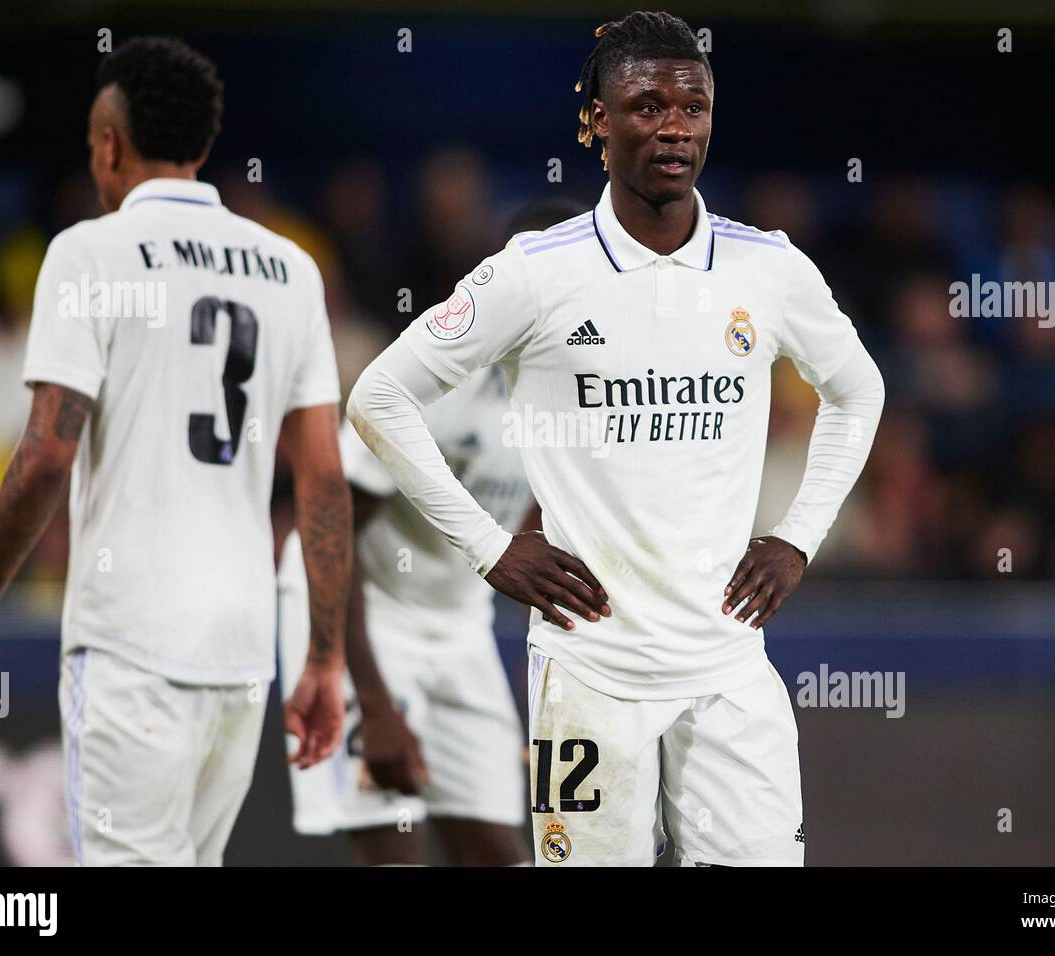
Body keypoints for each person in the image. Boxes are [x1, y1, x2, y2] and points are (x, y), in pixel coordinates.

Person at [346, 10, 885, 866]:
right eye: (646, 106)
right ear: (595, 120)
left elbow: (858, 391)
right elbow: (379, 397)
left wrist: (796, 537)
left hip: (728, 670)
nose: (674, 128)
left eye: (693, 106)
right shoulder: (537, 271)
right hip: (588, 677)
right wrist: (490, 548)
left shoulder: (768, 268)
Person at [0, 36, 352, 866]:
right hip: (241, 651)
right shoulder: (290, 270)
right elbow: (324, 481)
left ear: (109, 144)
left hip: (132, 644)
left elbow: (49, 455)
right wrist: (323, 656)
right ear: (201, 147)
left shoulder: (88, 252)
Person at [278, 365, 532, 866]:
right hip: (368, 614)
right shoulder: (428, 379)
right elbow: (332, 532)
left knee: (499, 849)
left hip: (461, 622)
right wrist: (374, 702)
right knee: (393, 846)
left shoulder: (566, 387)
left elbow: (547, 527)